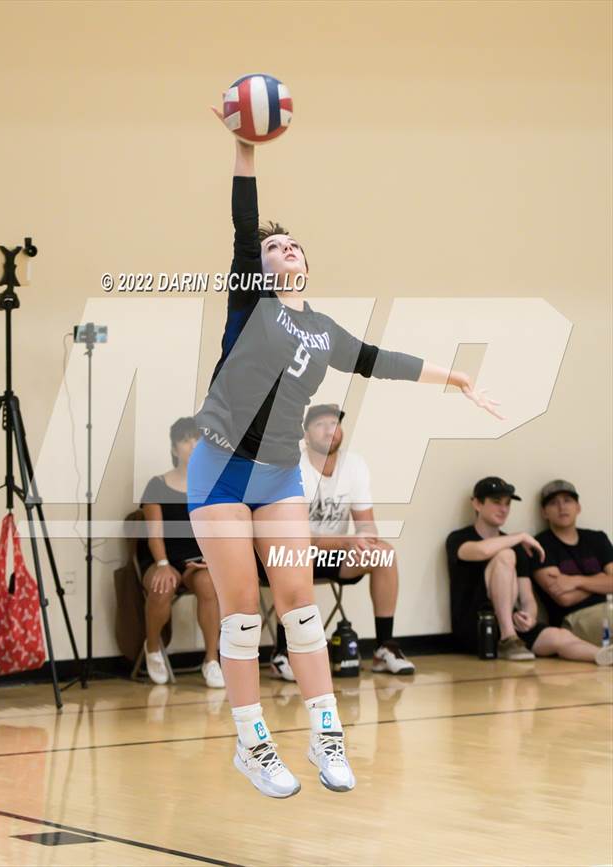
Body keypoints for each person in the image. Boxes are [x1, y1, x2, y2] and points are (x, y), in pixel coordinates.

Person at [187, 108, 503, 800]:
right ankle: (253, 742)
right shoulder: (249, 304)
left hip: (275, 476)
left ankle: (326, 732)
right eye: (275, 248)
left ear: (307, 263)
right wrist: (247, 145)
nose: (284, 250)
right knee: (243, 610)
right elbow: (246, 224)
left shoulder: (324, 331)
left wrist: (452, 378)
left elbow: (378, 359)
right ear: (258, 268)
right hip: (217, 470)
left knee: (298, 603)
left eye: (293, 245)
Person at [269, 403, 415, 680]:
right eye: (320, 425)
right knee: (291, 553)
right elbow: (294, 534)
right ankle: (283, 653)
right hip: (292, 553)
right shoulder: (293, 467)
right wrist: (347, 542)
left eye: (334, 424)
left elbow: (367, 526)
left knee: (384, 553)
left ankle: (385, 648)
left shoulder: (355, 465)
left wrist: (365, 542)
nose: (329, 430)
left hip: (334, 554)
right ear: (306, 434)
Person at [445, 477, 613, 665]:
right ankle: (507, 638)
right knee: (506, 556)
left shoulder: (517, 545)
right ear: (477, 503)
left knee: (560, 636)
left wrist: (530, 616)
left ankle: (603, 655)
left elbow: (527, 597)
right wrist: (521, 536)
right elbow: (482, 551)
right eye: (496, 502)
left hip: (516, 628)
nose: (503, 509)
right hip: (477, 628)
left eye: (507, 503)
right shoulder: (458, 538)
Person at [137, 418, 224, 688]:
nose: (193, 445)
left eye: (197, 439)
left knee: (210, 583)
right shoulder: (157, 485)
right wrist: (162, 564)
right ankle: (153, 647)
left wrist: (212, 559)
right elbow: (155, 535)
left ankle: (211, 660)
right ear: (175, 449)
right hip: (161, 558)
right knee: (163, 585)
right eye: (186, 440)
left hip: (196, 562)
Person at [532, 480, 613, 644]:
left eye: (567, 500)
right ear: (544, 513)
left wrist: (574, 581)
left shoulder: (597, 539)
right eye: (554, 503)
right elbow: (564, 598)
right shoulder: (539, 545)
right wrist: (600, 579)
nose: (562, 507)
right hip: (573, 619)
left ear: (578, 507)